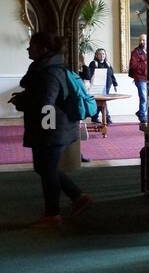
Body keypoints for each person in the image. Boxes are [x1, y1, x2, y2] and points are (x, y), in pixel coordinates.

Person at [9, 32, 92, 227]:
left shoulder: (49, 72)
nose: (28, 49)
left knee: (46, 169)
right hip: (54, 126)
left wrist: (21, 101)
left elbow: (45, 104)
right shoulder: (50, 68)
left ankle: (53, 215)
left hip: (51, 128)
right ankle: (79, 197)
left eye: (32, 45)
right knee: (45, 168)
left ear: (44, 49)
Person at [82, 47, 119, 124]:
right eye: (100, 54)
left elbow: (112, 75)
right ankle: (106, 118)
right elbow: (89, 75)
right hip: (97, 86)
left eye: (103, 54)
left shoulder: (108, 64)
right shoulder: (93, 63)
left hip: (107, 85)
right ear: (96, 55)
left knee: (102, 101)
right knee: (101, 101)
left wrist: (115, 84)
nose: (102, 55)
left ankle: (96, 117)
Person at [129, 33, 149, 124]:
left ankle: (141, 112)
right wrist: (144, 63)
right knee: (143, 97)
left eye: (143, 40)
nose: (142, 42)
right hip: (140, 78)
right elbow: (133, 65)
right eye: (140, 40)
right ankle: (142, 116)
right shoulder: (136, 52)